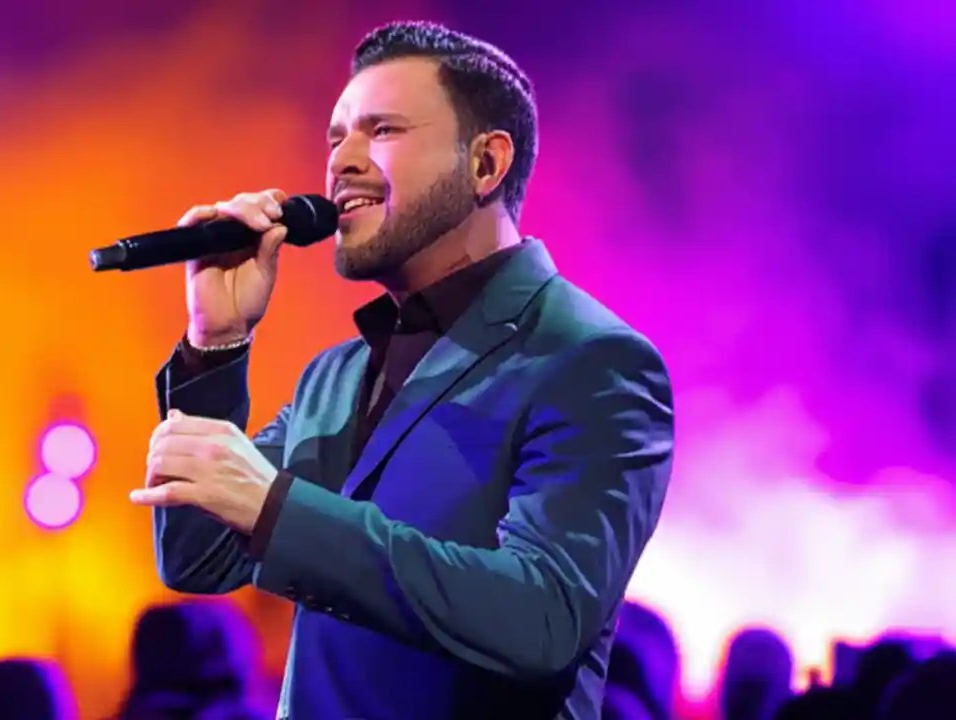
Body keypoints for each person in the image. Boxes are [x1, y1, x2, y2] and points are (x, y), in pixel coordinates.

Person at [129, 20, 674, 720]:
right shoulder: (335, 376)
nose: (341, 162)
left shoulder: (589, 360)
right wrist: (218, 344)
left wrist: (277, 510)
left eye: (381, 131)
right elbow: (199, 558)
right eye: (336, 137)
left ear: (486, 165)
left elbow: (542, 617)